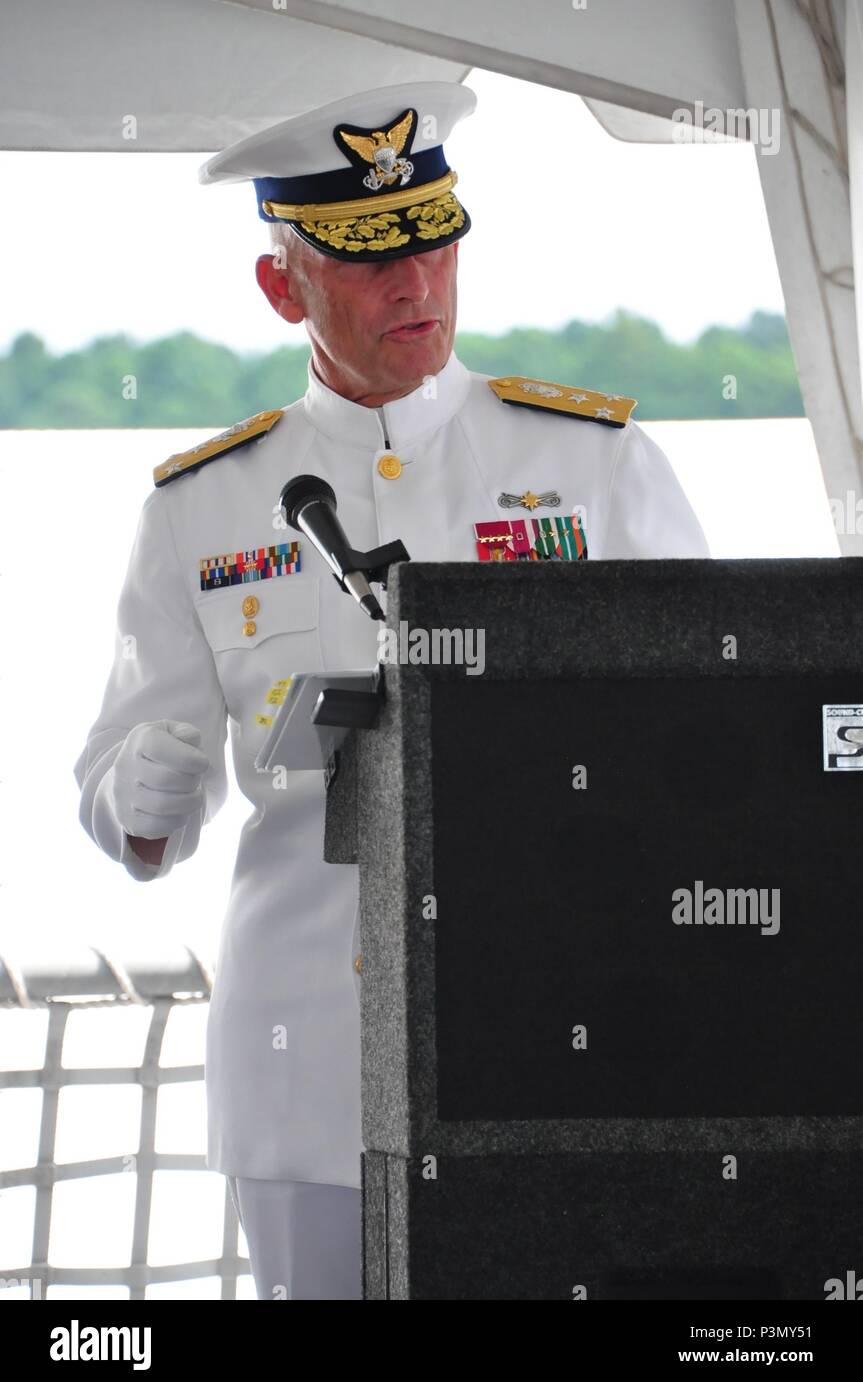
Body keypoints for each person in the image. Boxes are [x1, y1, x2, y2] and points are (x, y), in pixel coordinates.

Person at [73, 80, 710, 1301]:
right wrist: (139, 793)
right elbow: (122, 800)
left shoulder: (595, 465)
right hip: (306, 1060)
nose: (414, 285)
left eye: (432, 241)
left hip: (554, 1040)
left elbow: (710, 733)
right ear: (282, 287)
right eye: (368, 261)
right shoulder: (199, 507)